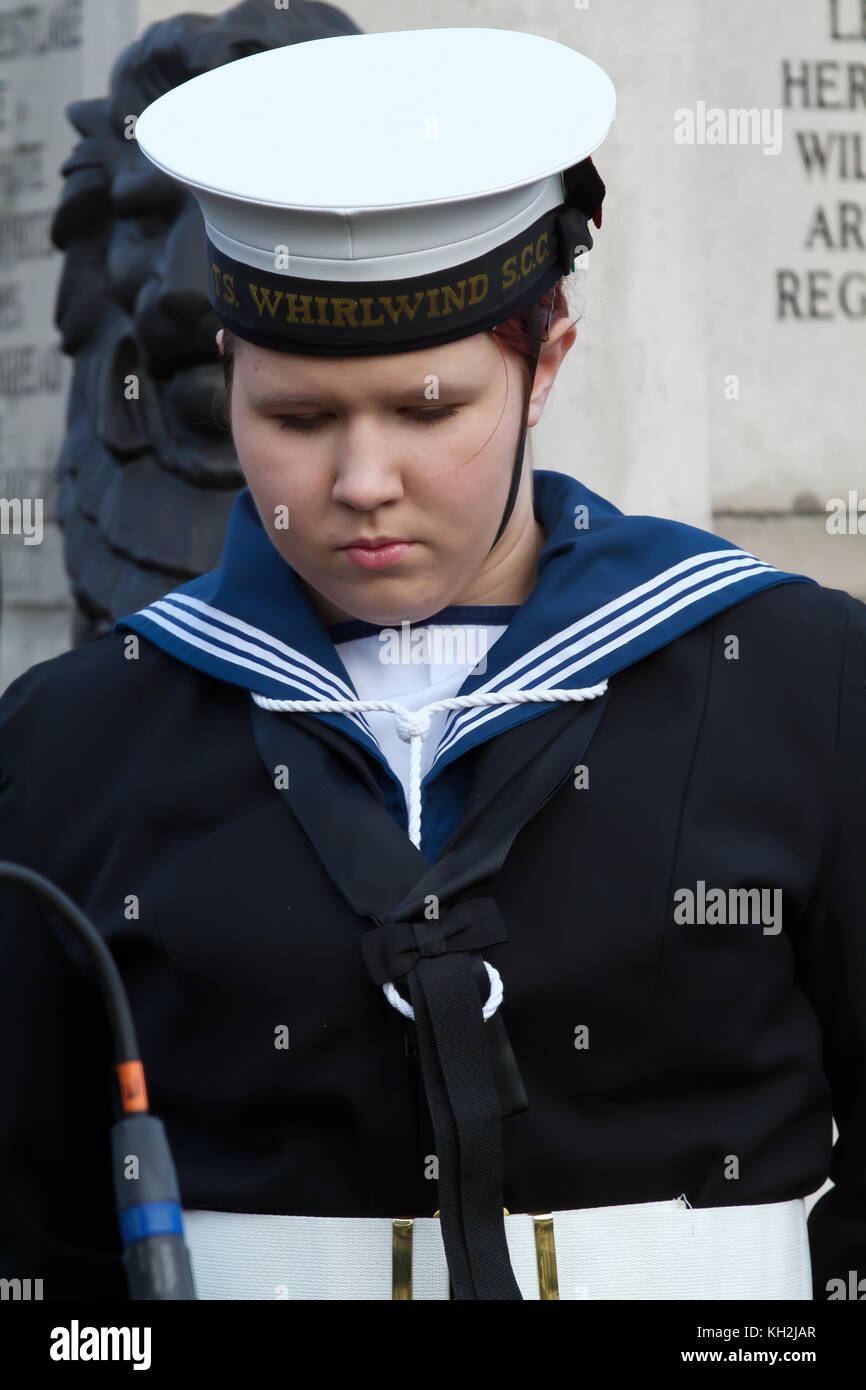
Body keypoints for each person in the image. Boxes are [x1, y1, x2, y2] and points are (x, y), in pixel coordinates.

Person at [0, 26, 863, 1303]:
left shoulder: (794, 679)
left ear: (544, 360)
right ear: (226, 374)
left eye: (427, 409)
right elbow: (36, 1226)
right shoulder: (72, 741)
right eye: (295, 417)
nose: (361, 482)